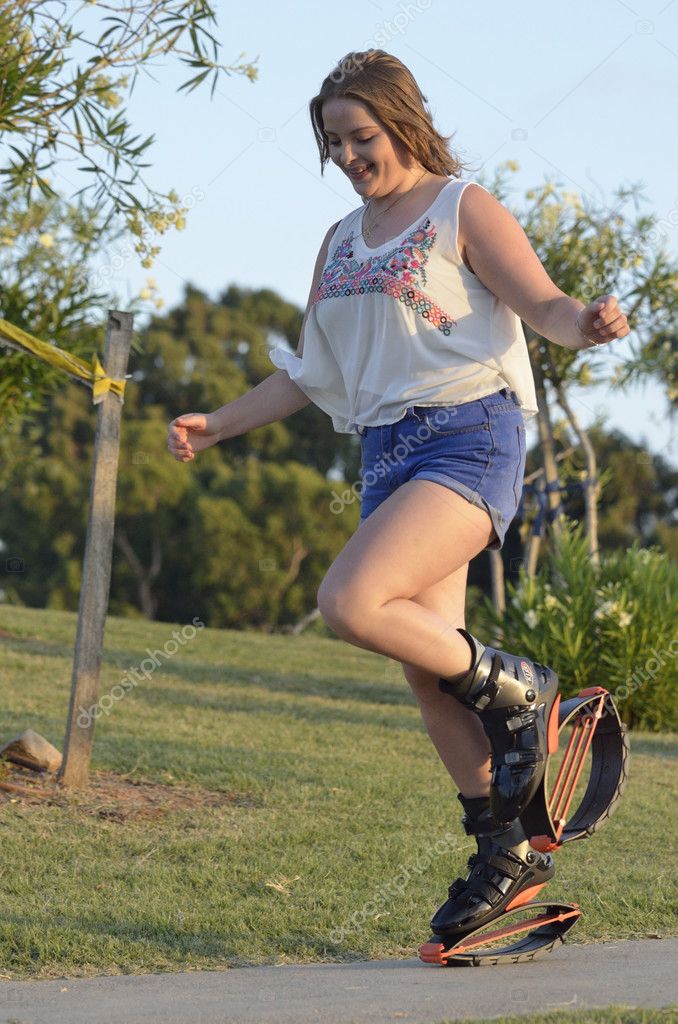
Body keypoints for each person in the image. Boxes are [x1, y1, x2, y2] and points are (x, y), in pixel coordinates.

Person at [167, 50, 630, 946]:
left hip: (468, 435)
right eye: (332, 141)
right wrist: (219, 424)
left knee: (348, 600)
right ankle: (508, 852)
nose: (346, 154)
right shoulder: (339, 244)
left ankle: (526, 691)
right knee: (429, 672)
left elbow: (546, 307)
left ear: (403, 123)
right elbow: (311, 372)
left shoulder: (464, 208)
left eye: (361, 136)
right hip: (388, 454)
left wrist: (591, 323)